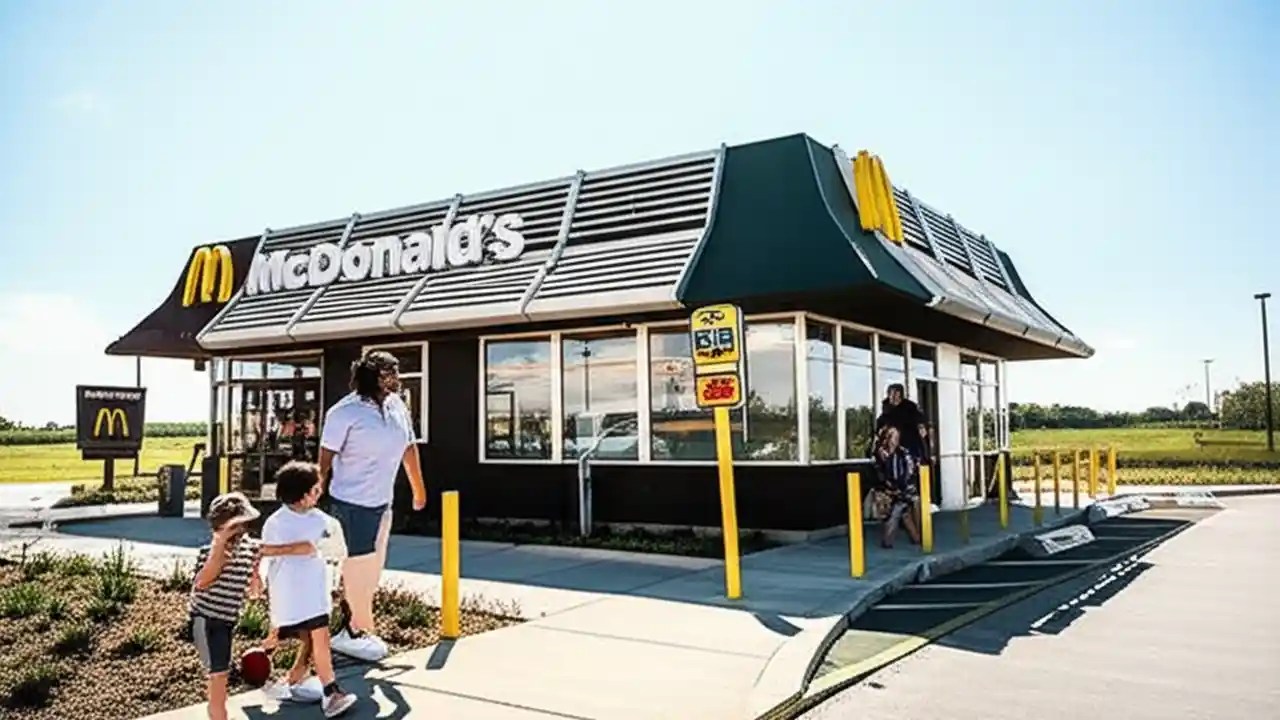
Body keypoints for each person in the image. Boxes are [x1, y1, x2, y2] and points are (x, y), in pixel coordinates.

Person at [320, 350, 427, 662]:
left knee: (371, 570)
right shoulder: (344, 412)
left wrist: (418, 489)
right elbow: (325, 459)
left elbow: (409, 447)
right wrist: (314, 492)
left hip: (383, 502)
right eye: (388, 373)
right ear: (371, 377)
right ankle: (350, 631)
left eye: (394, 372)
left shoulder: (397, 407)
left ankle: (355, 628)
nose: (395, 379)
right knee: (356, 571)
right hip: (351, 503)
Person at [188, 492, 317, 720]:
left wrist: (263, 566)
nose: (239, 533)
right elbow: (203, 582)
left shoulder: (248, 548)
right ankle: (219, 716)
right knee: (218, 676)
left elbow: (291, 549)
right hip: (205, 620)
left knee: (222, 673)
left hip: (226, 621)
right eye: (233, 528)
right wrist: (220, 546)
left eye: (242, 527)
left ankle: (219, 714)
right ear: (218, 529)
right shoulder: (210, 552)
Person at [260, 461, 358, 717]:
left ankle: (330, 691)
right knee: (281, 638)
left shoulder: (325, 523)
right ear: (302, 497)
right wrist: (257, 580)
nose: (320, 493)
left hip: (315, 593)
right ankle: (278, 679)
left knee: (320, 639)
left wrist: (338, 586)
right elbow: (263, 553)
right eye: (315, 490)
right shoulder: (275, 523)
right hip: (286, 595)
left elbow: (338, 554)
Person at [871, 426, 922, 548]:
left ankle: (888, 541)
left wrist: (898, 487)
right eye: (892, 437)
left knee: (896, 511)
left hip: (902, 488)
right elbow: (879, 469)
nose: (894, 440)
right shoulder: (883, 453)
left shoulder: (901, 454)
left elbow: (905, 472)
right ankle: (916, 538)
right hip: (891, 488)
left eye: (896, 438)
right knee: (902, 513)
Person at [876, 384, 930, 462]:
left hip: (909, 439)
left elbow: (920, 419)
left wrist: (921, 426)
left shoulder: (909, 407)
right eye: (891, 394)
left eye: (896, 395)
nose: (893, 397)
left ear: (900, 395)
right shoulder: (887, 409)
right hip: (893, 441)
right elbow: (880, 425)